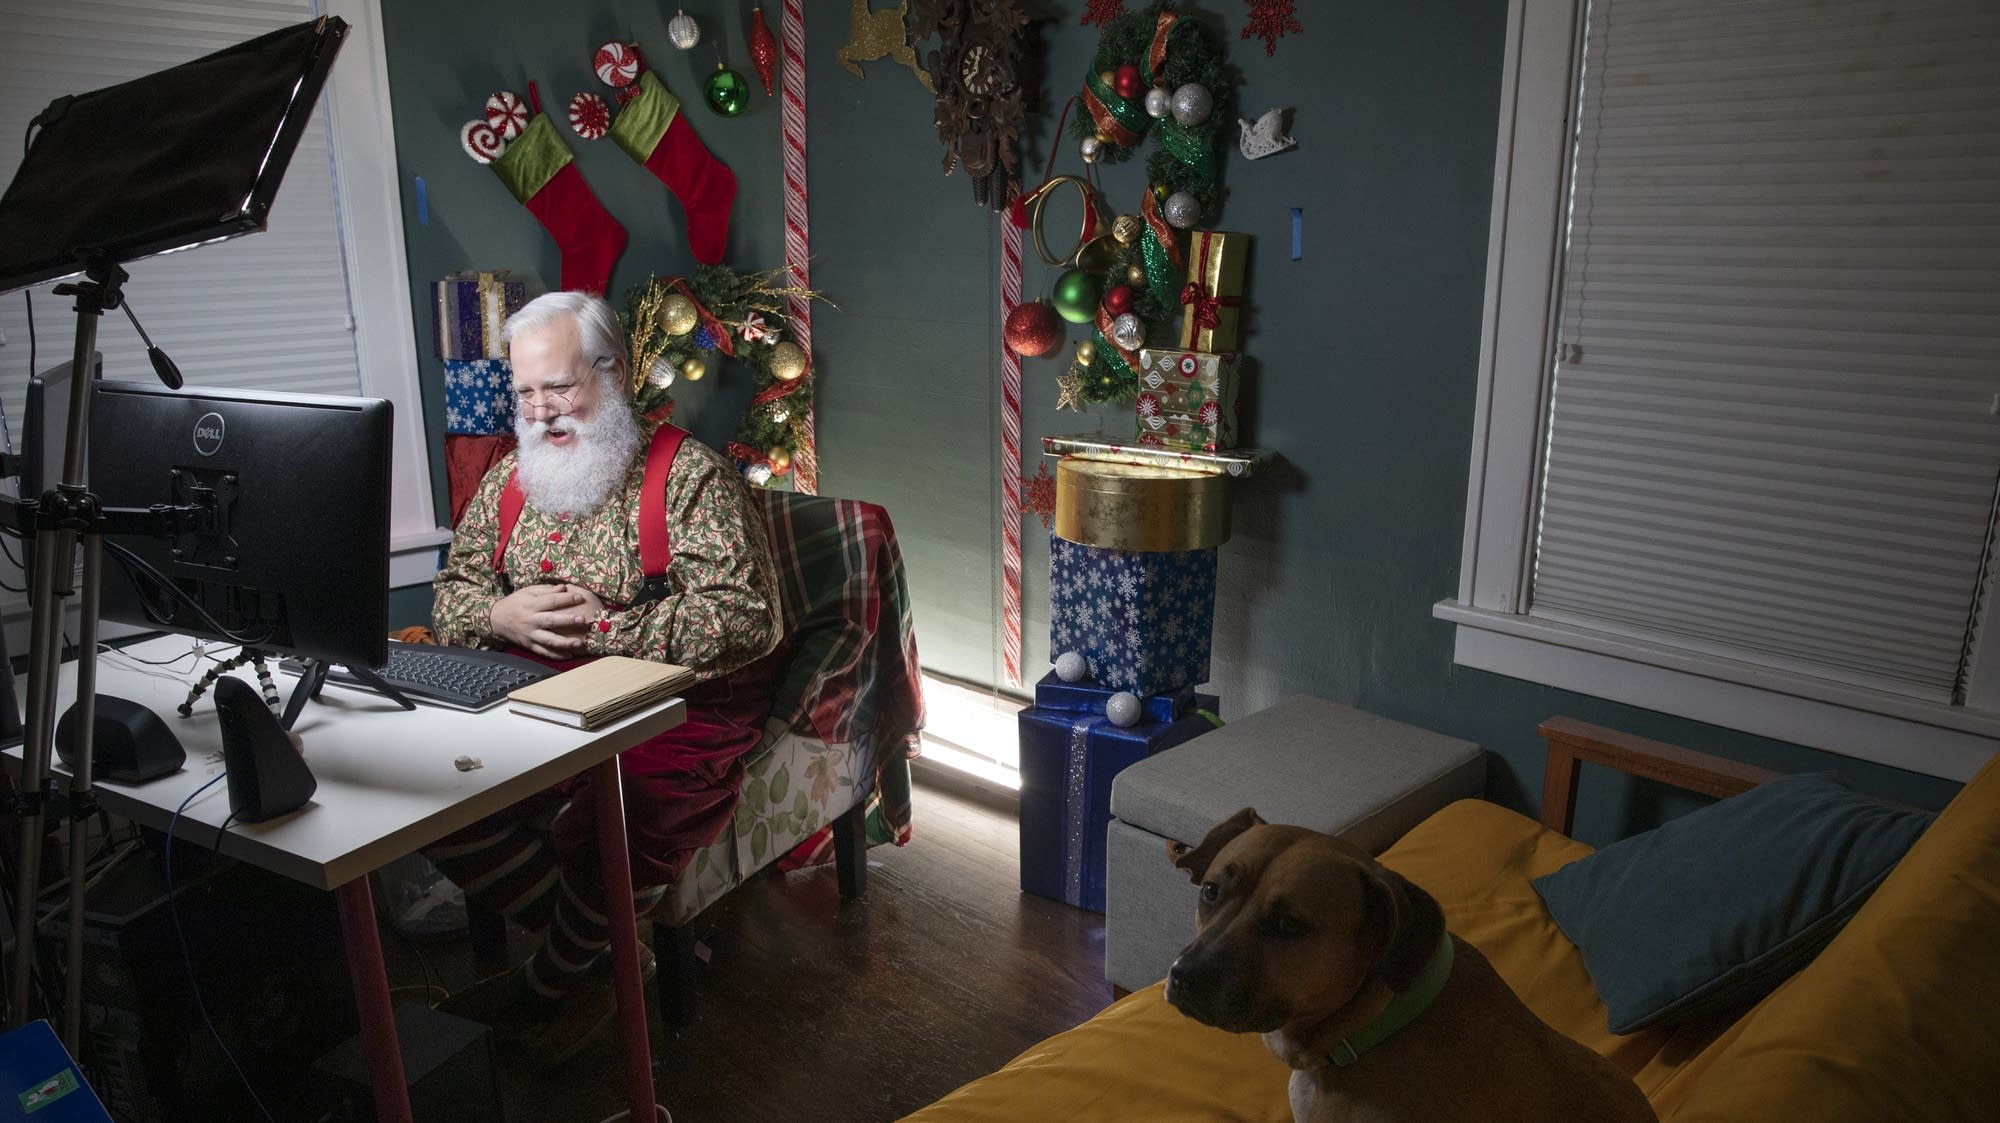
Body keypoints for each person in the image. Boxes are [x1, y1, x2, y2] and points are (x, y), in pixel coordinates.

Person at [427, 290, 782, 1061]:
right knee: (430, 789)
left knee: (618, 818)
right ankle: (599, 959)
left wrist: (609, 628)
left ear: (613, 373)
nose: (540, 411)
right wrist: (498, 614)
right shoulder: (509, 479)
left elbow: (749, 616)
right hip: (534, 691)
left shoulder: (691, 477)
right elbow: (452, 591)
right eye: (525, 391)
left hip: (673, 701)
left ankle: (545, 983)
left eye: (560, 387)